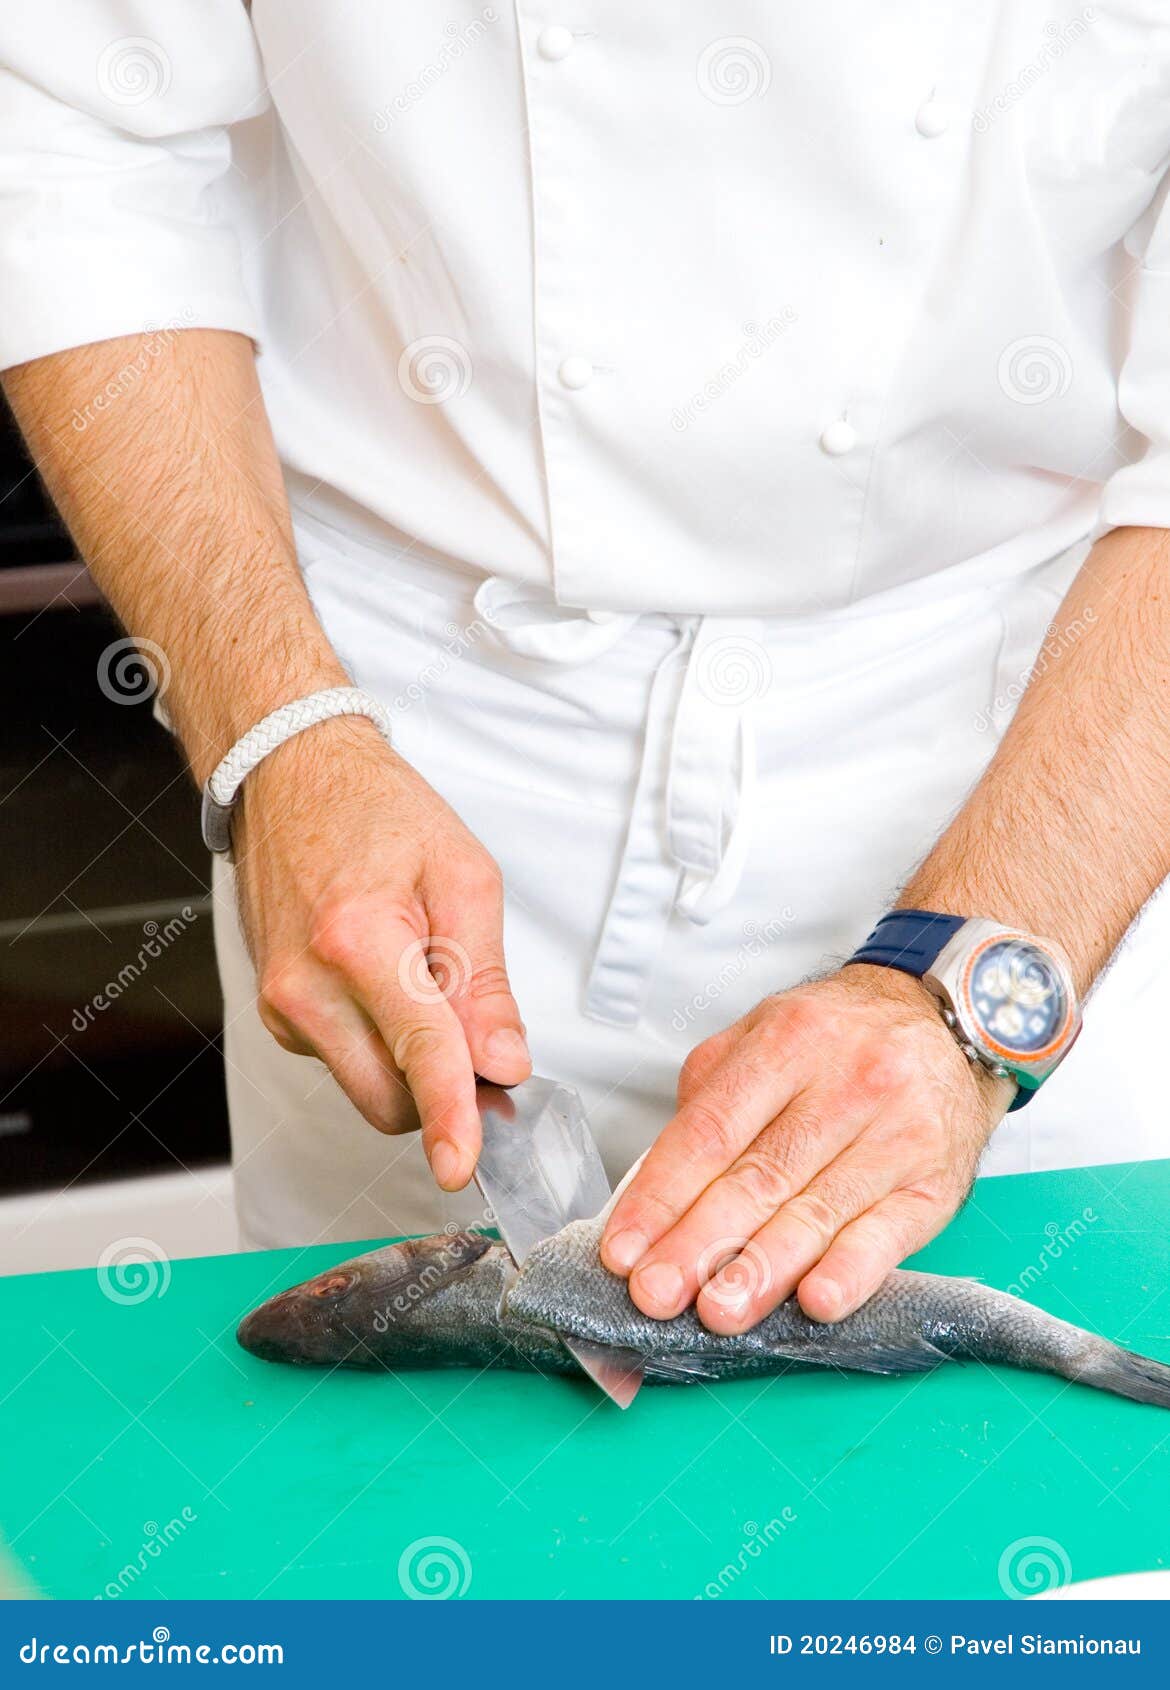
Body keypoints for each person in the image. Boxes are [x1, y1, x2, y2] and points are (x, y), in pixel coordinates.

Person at [2, 5, 1168, 1339]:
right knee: (398, 1501)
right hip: (409, 763)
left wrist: (975, 989)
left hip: (1044, 768)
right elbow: (85, 138)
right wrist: (282, 732)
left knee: (1019, 1489)